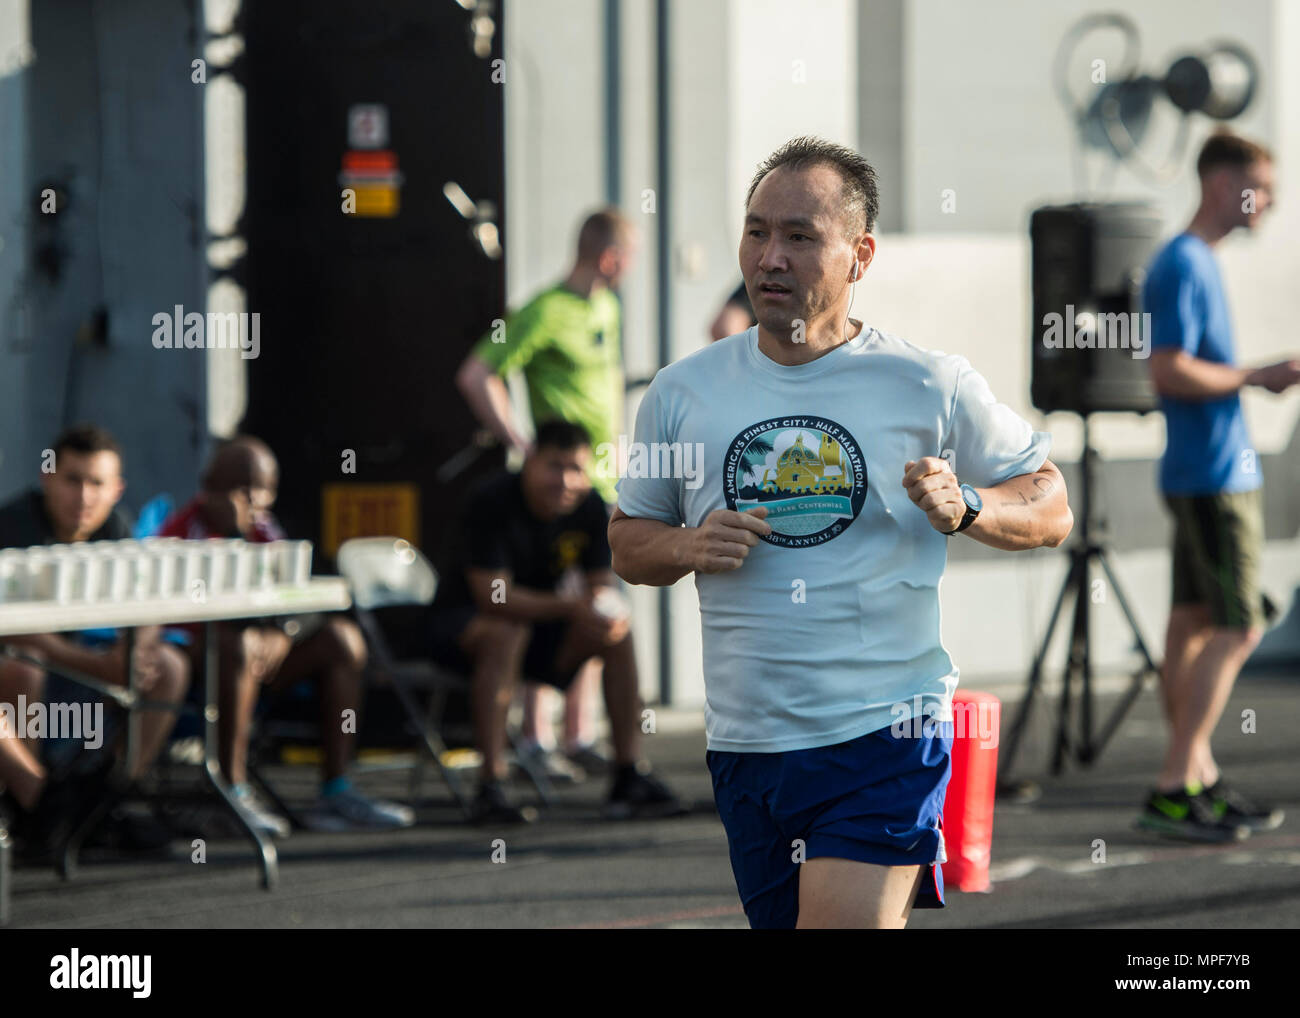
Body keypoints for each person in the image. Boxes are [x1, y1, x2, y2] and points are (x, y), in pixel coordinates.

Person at [609, 136, 1073, 929]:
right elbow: (627, 540)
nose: (770, 257)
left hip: (885, 735)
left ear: (859, 255)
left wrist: (967, 505)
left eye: (799, 236)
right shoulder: (679, 393)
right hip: (747, 748)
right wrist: (688, 545)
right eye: (756, 232)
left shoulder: (929, 382)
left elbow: (1051, 503)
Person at [1138, 130, 1298, 842]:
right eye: (1258, 185)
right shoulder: (1183, 262)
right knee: (1240, 625)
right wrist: (1258, 377)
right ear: (1218, 180)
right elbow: (1168, 370)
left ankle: (1193, 775)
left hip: (1204, 471)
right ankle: (1175, 783)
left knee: (1192, 621)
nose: (1268, 200)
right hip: (1214, 475)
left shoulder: (1193, 260)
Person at [455, 208, 639, 783]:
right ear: (611, 258)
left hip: (600, 483)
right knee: (537, 602)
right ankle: (533, 737)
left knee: (594, 603)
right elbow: (476, 374)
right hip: (555, 488)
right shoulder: (545, 311)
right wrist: (521, 443)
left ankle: (576, 735)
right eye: (628, 260)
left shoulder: (605, 306)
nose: (629, 270)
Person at [428, 419, 685, 824]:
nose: (565, 480)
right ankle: (490, 786)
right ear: (529, 460)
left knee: (617, 635)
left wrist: (606, 614)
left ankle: (627, 774)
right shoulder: (491, 499)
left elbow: (600, 587)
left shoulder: (587, 506)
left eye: (576, 468)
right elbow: (495, 597)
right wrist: (573, 607)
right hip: (465, 628)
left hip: (538, 632)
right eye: (554, 466)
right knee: (506, 632)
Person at [159, 435, 414, 836]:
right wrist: (230, 538)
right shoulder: (180, 532)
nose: (255, 500)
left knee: (343, 641)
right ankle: (231, 791)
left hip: (260, 661)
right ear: (209, 488)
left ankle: (335, 789)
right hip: (200, 664)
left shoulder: (263, 528)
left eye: (264, 490)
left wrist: (284, 631)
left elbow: (298, 596)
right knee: (234, 645)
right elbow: (180, 617)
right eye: (242, 489)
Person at [0, 425, 190, 788]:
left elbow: (148, 603)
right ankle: (36, 807)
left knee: (169, 666)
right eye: (73, 480)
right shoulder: (13, 528)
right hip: (33, 672)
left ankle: (110, 799)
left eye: (97, 483)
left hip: (79, 671)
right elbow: (13, 629)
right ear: (47, 477)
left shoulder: (115, 527)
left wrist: (134, 652)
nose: (84, 496)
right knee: (25, 668)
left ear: (117, 490)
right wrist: (100, 666)